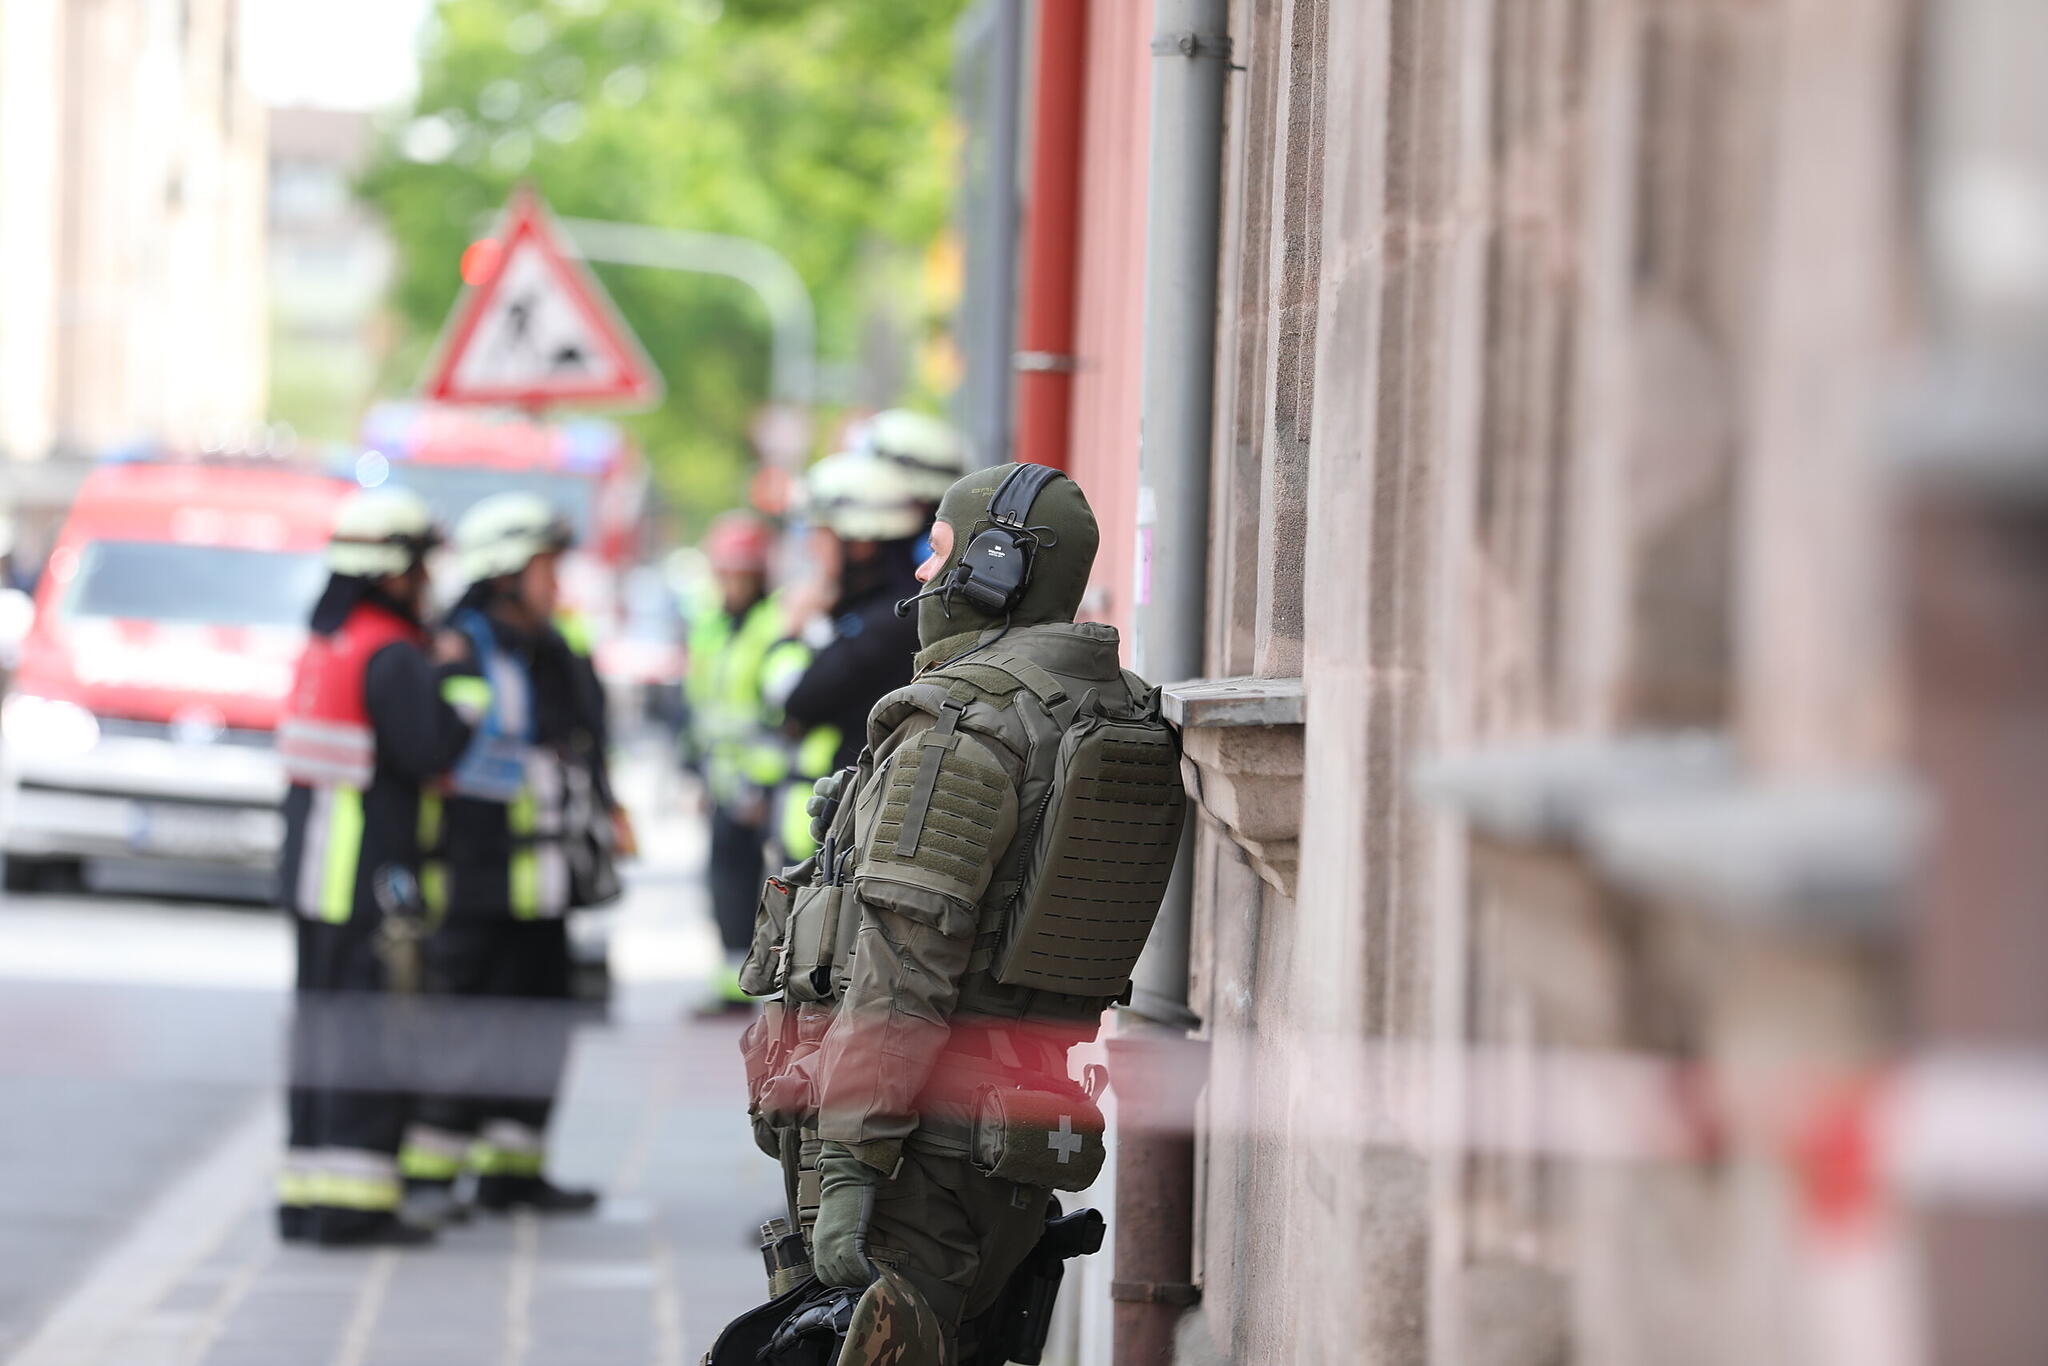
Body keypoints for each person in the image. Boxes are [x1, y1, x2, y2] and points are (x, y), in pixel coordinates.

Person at [734, 465, 1188, 1362]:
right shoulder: (1105, 709)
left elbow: (903, 970)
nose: (919, 578)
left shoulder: (962, 730)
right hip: (1003, 1128)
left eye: (937, 554)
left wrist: (851, 1170)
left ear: (995, 567)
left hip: (915, 1152)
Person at [396, 492, 609, 1219]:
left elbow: (581, 736)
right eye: (547, 568)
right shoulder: (460, 645)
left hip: (545, 879)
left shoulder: (554, 649)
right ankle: (430, 1174)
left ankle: (512, 1171)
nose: (558, 584)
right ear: (506, 573)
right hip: (474, 876)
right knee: (462, 1025)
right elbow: (441, 750)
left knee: (541, 1022)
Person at [276, 487, 472, 1248]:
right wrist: (457, 685)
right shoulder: (393, 654)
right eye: (422, 563)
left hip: (313, 878)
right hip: (367, 878)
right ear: (394, 571)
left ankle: (305, 1194)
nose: (428, 579)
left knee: (320, 1035)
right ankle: (353, 1207)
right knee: (370, 1039)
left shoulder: (329, 640)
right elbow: (431, 752)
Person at [755, 450, 925, 867]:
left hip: (848, 842)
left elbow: (793, 700)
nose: (811, 545)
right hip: (829, 837)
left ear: (861, 542)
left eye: (820, 531)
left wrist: (795, 632)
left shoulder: (888, 622)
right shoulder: (864, 615)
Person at [680, 512, 785, 1014]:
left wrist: (766, 787)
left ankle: (781, 982)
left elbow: (779, 713)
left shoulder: (774, 626)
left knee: (778, 886)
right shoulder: (711, 627)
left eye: (738, 573)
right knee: (724, 883)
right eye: (722, 573)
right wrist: (695, 770)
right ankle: (732, 984)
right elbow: (700, 707)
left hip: (768, 786)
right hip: (724, 781)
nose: (728, 584)